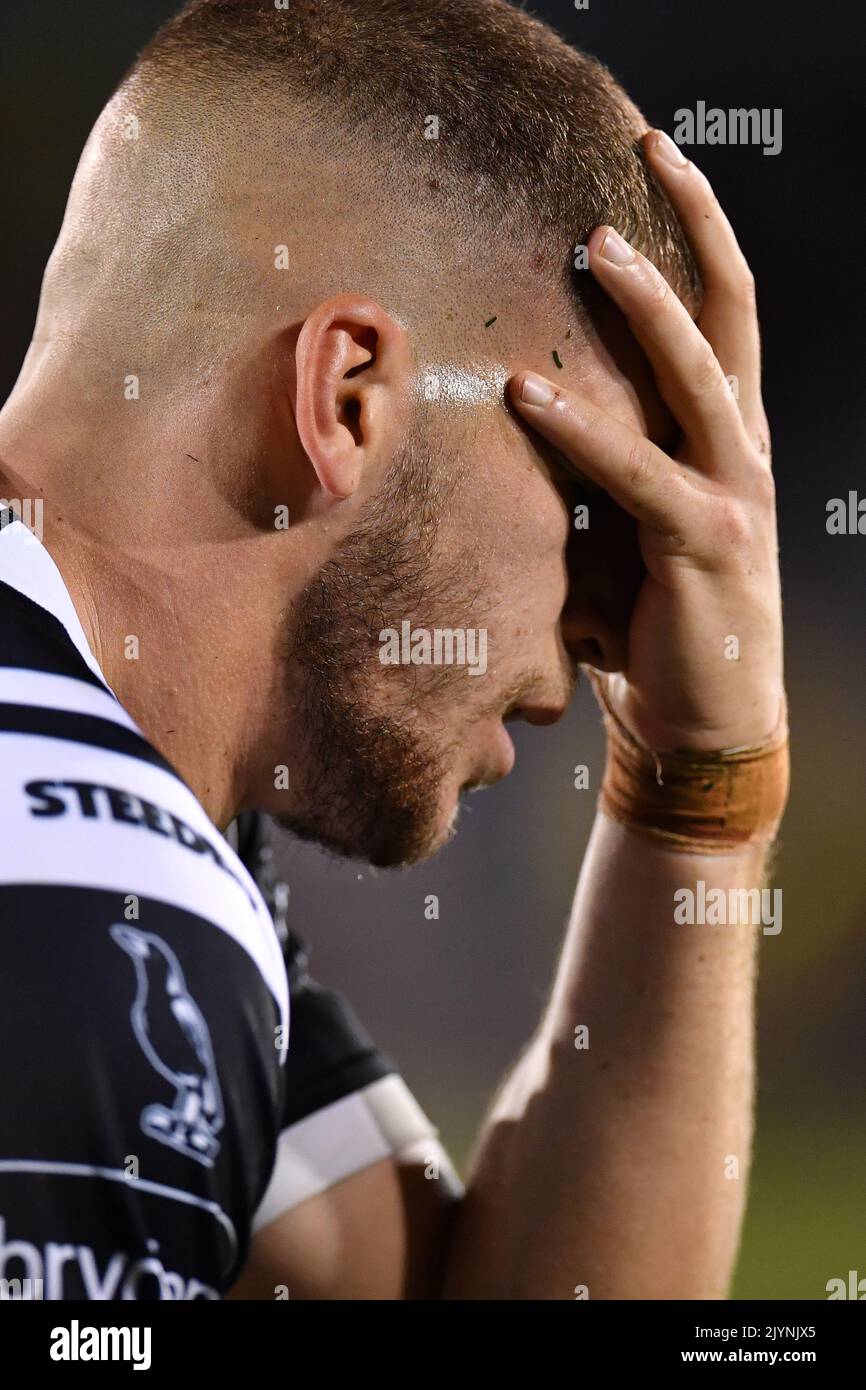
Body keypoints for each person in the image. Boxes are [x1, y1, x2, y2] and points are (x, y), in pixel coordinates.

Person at [0, 0, 787, 1299]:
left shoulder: (130, 830)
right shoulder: (86, 885)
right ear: (349, 398)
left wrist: (696, 785)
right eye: (601, 516)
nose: (594, 653)